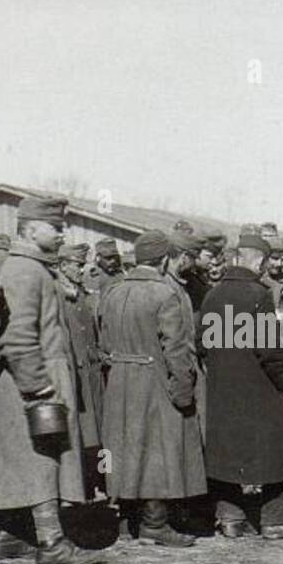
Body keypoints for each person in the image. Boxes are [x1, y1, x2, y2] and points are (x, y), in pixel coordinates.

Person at [0, 195, 99, 564]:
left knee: (21, 459)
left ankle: (10, 536)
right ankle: (52, 543)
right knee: (42, 456)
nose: (63, 234)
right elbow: (18, 337)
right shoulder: (26, 271)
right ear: (29, 229)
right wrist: (38, 389)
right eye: (56, 228)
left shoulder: (30, 267)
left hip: (22, 379)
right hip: (28, 380)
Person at [97, 230, 206, 545]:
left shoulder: (113, 291)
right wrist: (183, 391)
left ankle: (127, 522)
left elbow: (102, 340)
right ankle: (155, 525)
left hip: (119, 379)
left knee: (126, 448)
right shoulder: (165, 294)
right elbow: (177, 350)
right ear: (164, 260)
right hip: (153, 377)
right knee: (159, 449)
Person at [200, 234, 283, 539]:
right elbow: (269, 350)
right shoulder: (258, 295)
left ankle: (230, 518)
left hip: (222, 390)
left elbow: (203, 343)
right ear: (259, 261)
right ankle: (274, 519)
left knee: (226, 452)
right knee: (277, 445)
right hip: (259, 389)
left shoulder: (213, 295)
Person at [55, 241, 105, 493]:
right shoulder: (59, 294)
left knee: (96, 429)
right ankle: (82, 485)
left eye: (83, 265)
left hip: (91, 369)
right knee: (82, 430)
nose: (81, 269)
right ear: (62, 266)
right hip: (75, 370)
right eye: (77, 265)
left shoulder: (83, 292)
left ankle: (97, 481)